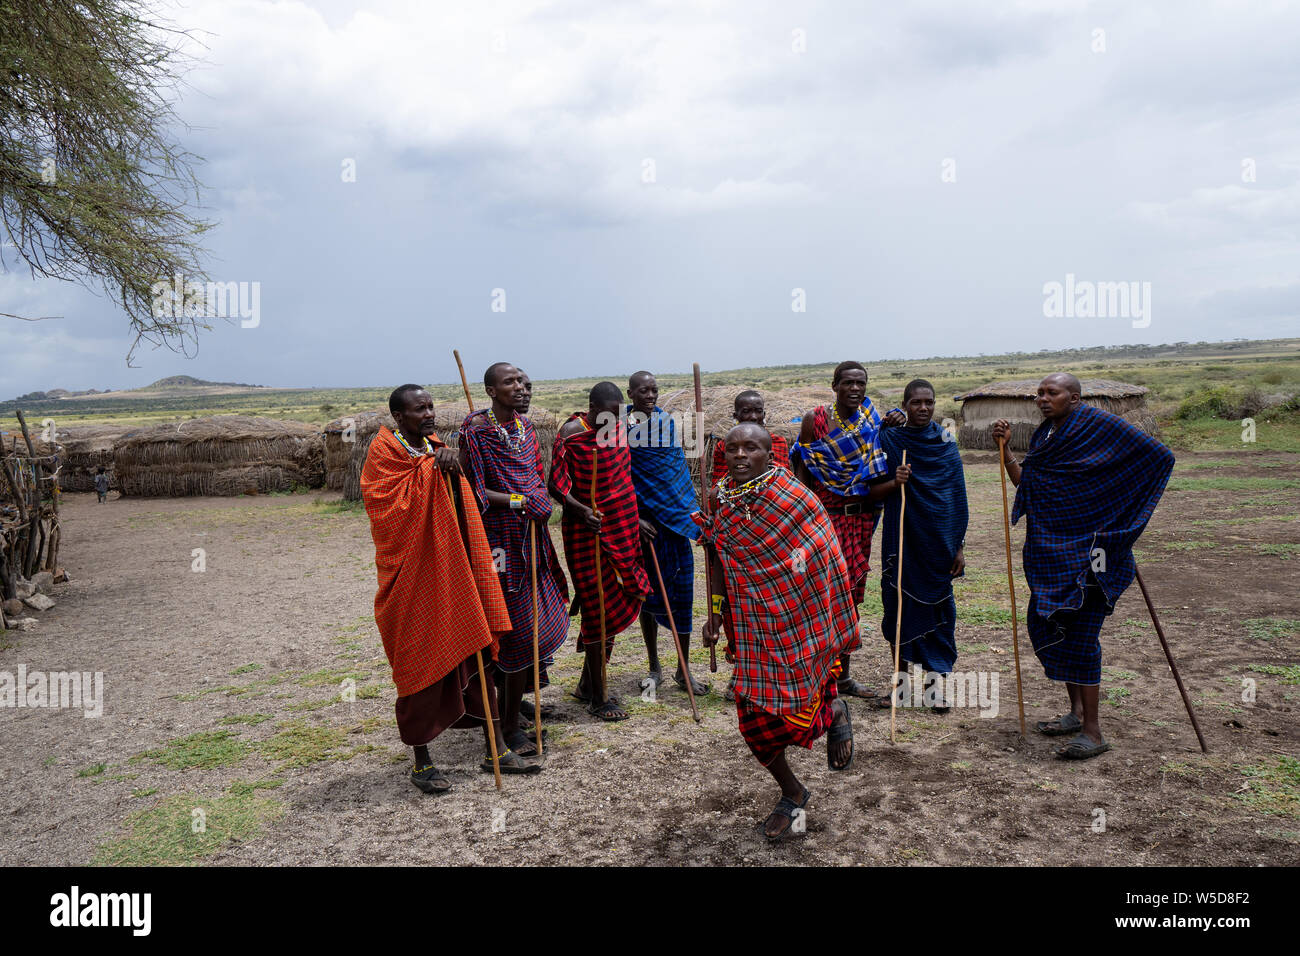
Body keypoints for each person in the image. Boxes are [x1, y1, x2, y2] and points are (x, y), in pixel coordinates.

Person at [362, 384, 541, 794]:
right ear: (398, 417)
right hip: (413, 579)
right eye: (418, 409)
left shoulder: (435, 446)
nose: (428, 414)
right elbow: (386, 511)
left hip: (454, 574)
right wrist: (433, 468)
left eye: (430, 406)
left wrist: (452, 464)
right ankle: (422, 762)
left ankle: (495, 749)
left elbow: (463, 503)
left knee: (475, 652)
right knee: (418, 665)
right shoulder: (384, 454)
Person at [992, 373, 1174, 760]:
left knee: (1082, 638)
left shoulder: (1100, 425)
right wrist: (1006, 451)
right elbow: (1030, 486)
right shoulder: (1046, 436)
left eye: (1051, 393)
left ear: (1074, 397)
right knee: (1050, 623)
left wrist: (1119, 520)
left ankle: (1093, 732)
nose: (1042, 398)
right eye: (1039, 393)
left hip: (1096, 554)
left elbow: (1160, 458)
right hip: (1052, 550)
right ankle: (1075, 714)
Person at [701, 423, 858, 841]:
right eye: (732, 448)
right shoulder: (720, 500)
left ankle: (834, 711)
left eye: (750, 448)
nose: (739, 455)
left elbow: (824, 559)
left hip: (800, 625)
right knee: (754, 723)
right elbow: (717, 559)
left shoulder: (796, 499)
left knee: (797, 715)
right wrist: (716, 612)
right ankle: (793, 792)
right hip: (750, 629)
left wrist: (798, 582)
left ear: (769, 455)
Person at [459, 362, 570, 757]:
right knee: (515, 633)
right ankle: (505, 729)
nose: (522, 388)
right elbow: (472, 491)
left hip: (533, 538)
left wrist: (536, 499)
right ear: (490, 390)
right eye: (511, 382)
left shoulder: (525, 429)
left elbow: (535, 478)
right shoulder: (476, 432)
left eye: (524, 381)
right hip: (500, 544)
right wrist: (521, 501)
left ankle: (515, 706)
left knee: (537, 623)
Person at [791, 360, 904, 704]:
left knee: (851, 595)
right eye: (848, 383)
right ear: (835, 385)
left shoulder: (873, 418)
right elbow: (803, 467)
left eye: (861, 383)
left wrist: (895, 419)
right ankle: (817, 675)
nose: (855, 389)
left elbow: (880, 455)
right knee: (822, 595)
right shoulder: (817, 420)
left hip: (862, 519)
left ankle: (842, 676)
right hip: (825, 519)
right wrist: (802, 520)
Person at [549, 382, 652, 721]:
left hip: (621, 530)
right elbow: (555, 484)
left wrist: (634, 519)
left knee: (613, 605)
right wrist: (580, 509)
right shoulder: (571, 434)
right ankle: (599, 699)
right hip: (586, 534)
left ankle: (586, 686)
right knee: (596, 612)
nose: (615, 418)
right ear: (592, 406)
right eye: (609, 412)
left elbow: (622, 481)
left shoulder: (618, 430)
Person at [870, 379, 968, 712]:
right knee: (898, 610)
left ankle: (935, 689)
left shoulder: (945, 441)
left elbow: (956, 496)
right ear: (905, 404)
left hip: (939, 542)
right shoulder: (890, 439)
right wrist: (893, 480)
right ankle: (900, 688)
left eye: (928, 402)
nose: (923, 408)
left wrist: (958, 546)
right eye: (916, 403)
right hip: (903, 540)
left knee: (939, 615)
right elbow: (869, 488)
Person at [625, 370, 708, 696]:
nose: (650, 395)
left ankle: (682, 668)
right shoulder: (621, 428)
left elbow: (674, 473)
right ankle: (654, 664)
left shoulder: (666, 423)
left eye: (654, 390)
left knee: (683, 596)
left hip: (675, 524)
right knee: (648, 595)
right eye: (643, 391)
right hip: (645, 527)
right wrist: (634, 518)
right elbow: (619, 476)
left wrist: (691, 513)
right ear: (630, 393)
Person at [709, 390, 791, 487]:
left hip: (774, 496)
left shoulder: (778, 442)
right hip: (736, 498)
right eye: (746, 411)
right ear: (736, 416)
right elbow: (719, 482)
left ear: (764, 415)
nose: (753, 417)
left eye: (758, 411)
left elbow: (784, 478)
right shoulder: (724, 445)